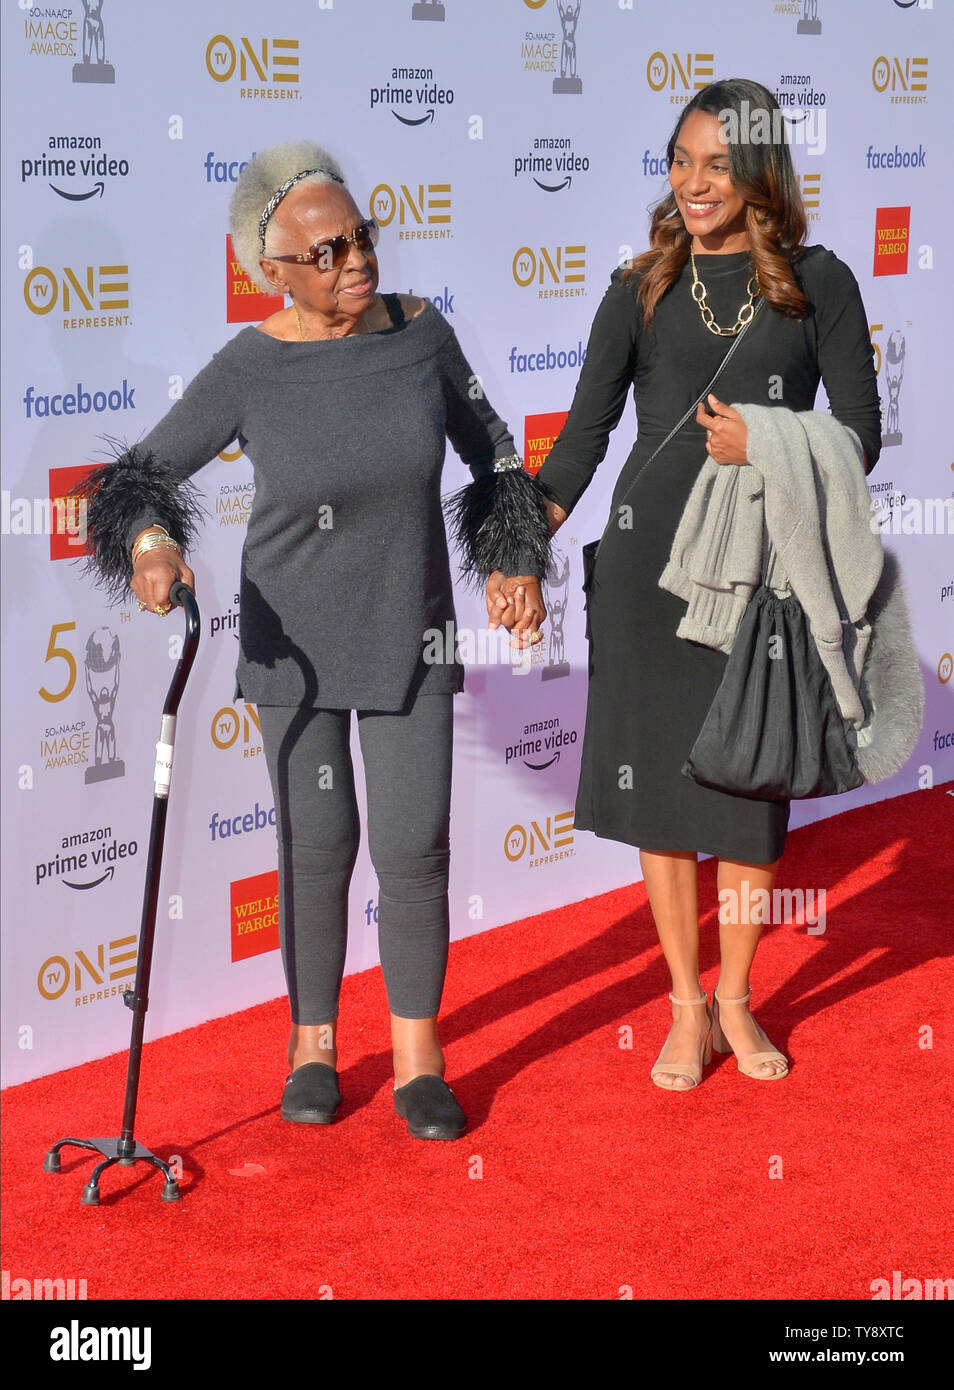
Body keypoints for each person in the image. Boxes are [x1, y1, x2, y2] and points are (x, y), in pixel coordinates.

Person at [78, 140, 549, 1139]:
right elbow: (137, 478)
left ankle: (420, 1057)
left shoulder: (423, 335)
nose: (355, 260)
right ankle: (315, 1046)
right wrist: (154, 541)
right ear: (277, 270)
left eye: (362, 236)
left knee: (415, 844)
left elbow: (495, 453)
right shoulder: (253, 366)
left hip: (411, 635)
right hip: (294, 645)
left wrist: (513, 555)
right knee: (320, 845)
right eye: (327, 251)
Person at [487, 79, 881, 1089]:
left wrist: (773, 439)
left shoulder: (818, 282)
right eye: (681, 160)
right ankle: (684, 1004)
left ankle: (739, 999)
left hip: (764, 576)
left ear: (760, 175)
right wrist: (522, 545)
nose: (694, 182)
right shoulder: (639, 288)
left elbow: (862, 438)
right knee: (663, 796)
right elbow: (580, 439)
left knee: (750, 792)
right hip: (644, 567)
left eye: (718, 164)